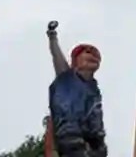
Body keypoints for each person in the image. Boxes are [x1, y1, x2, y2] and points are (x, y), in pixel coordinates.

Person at [46, 21, 108, 157]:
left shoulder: (94, 89)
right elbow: (57, 57)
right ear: (75, 61)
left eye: (95, 55)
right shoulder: (67, 79)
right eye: (86, 52)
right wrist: (52, 37)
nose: (92, 54)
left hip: (94, 144)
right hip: (72, 142)